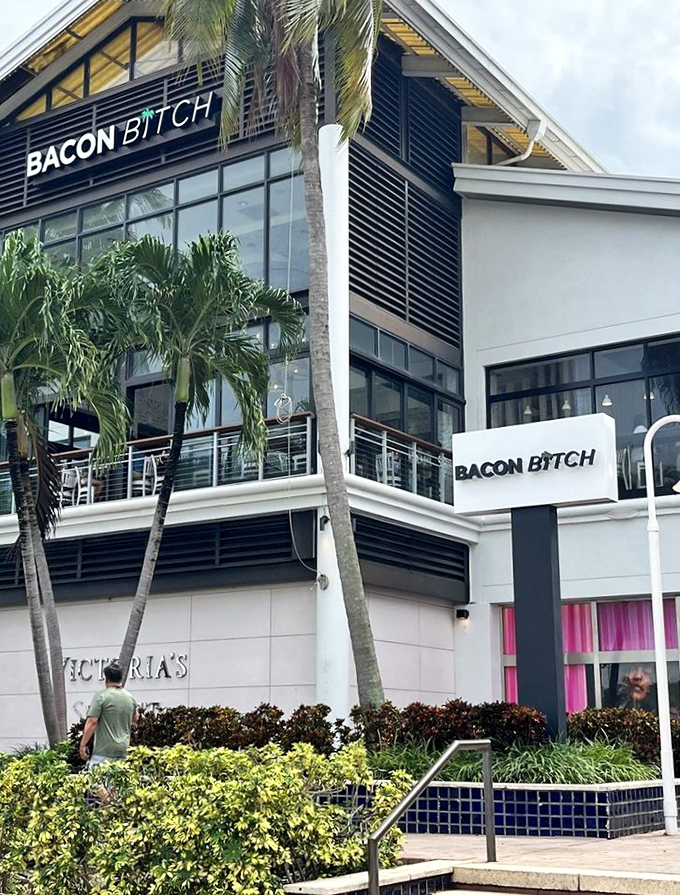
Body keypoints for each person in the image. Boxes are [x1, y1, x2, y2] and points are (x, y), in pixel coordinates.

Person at [79, 662, 138, 768]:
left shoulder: (101, 697)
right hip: (123, 751)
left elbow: (92, 722)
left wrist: (83, 745)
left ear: (106, 680)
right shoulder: (130, 698)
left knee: (99, 778)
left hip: (103, 752)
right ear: (120, 679)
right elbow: (135, 718)